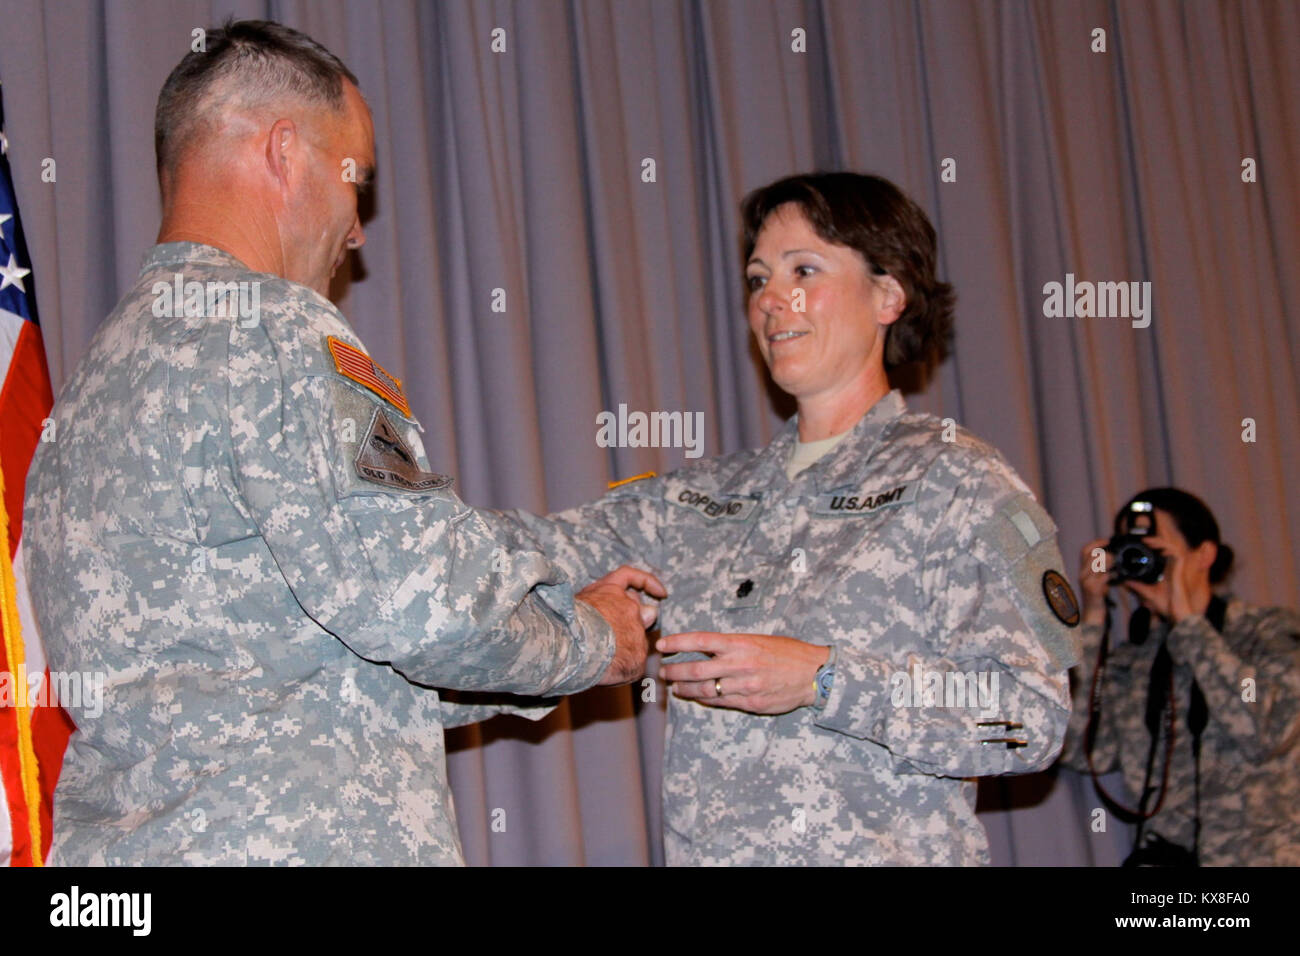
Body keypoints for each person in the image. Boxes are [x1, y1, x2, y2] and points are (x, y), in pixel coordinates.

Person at [23, 19, 663, 866]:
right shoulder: (280, 330)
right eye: (354, 176)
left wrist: (556, 622)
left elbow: (326, 663)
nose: (358, 228)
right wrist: (592, 639)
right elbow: (424, 602)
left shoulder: (85, 391)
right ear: (284, 151)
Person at [496, 172, 1082, 864]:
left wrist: (824, 680)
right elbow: (524, 550)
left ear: (889, 295)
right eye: (757, 278)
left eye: (804, 269)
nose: (772, 298)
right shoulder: (701, 498)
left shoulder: (954, 479)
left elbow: (1029, 717)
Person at [1060, 488, 1300, 865]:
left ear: (1205, 554)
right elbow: (1082, 750)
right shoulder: (1135, 660)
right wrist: (1092, 617)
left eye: (1159, 552)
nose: (1145, 561)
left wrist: (1188, 624)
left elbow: (1267, 731)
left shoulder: (1267, 633)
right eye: (1132, 551)